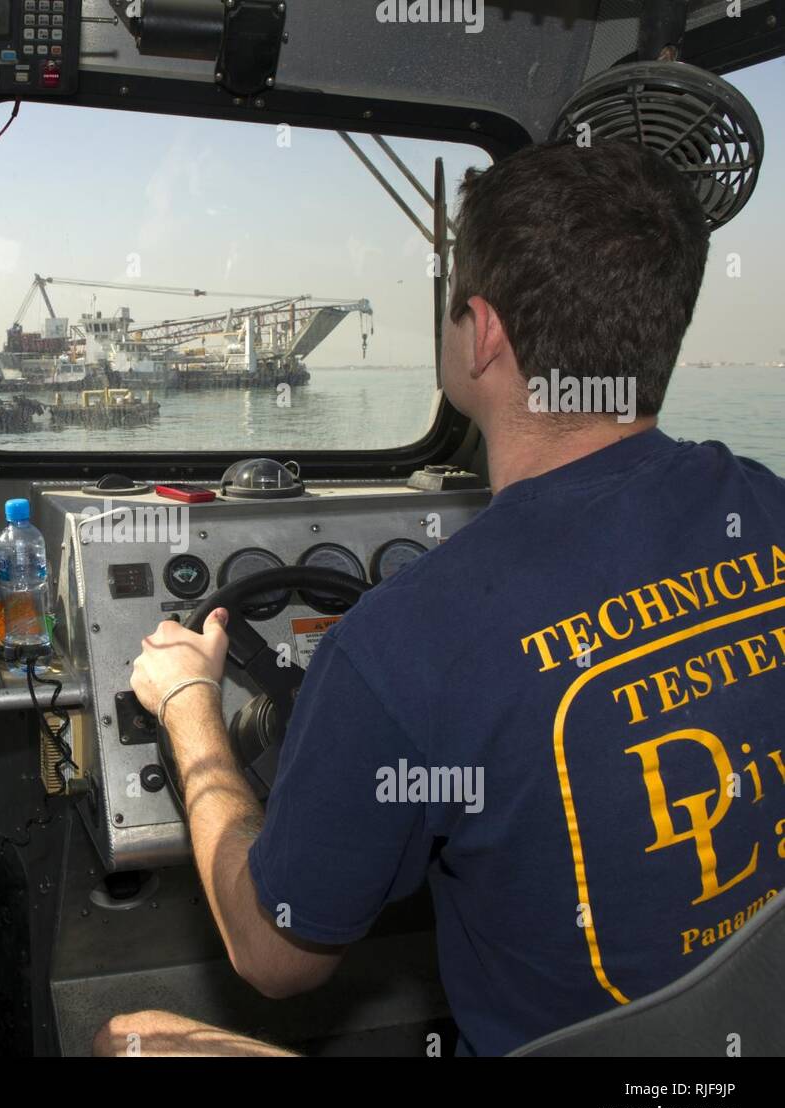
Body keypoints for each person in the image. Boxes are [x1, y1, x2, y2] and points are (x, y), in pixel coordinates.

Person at [94, 138, 785, 1057]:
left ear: (483, 333)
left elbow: (274, 950)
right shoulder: (766, 506)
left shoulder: (404, 645)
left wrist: (187, 703)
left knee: (126, 1042)